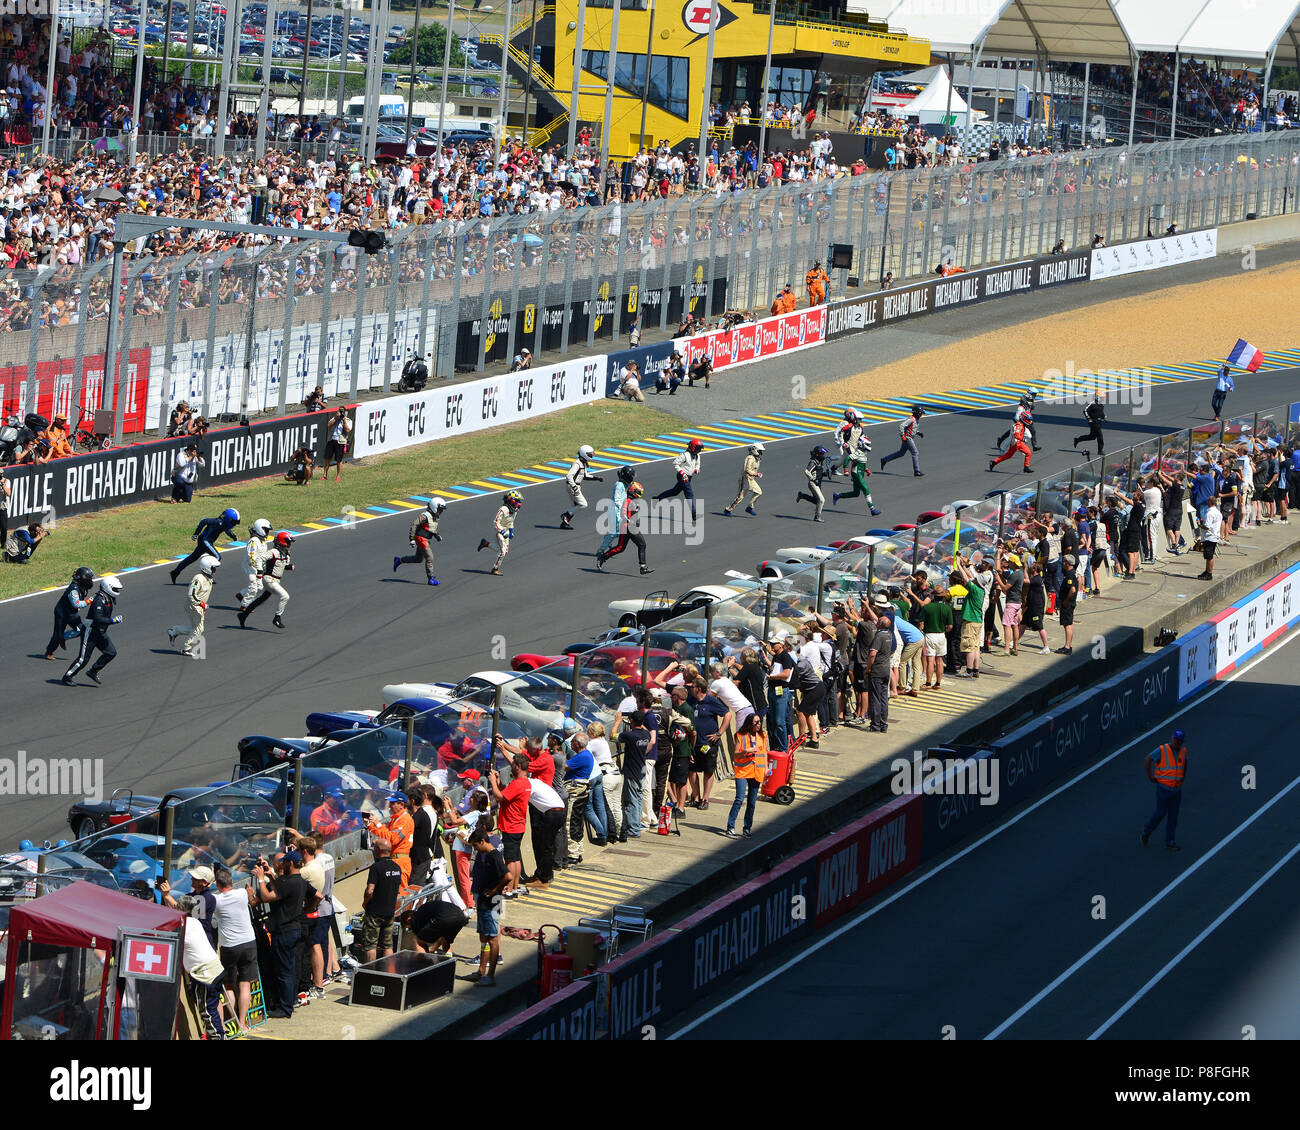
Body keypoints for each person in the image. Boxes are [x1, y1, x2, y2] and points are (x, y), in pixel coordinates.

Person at [250, 850, 308, 1019]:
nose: (282, 865)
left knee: (284, 972)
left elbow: (267, 897)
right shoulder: (300, 881)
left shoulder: (290, 882)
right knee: (289, 970)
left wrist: (261, 878)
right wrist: (270, 875)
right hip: (294, 929)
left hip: (284, 931)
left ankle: (284, 1008)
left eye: (284, 863)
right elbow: (281, 889)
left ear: (290, 864)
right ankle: (288, 1004)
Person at [212, 867, 258, 1033]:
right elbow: (251, 895)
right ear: (231, 882)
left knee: (229, 985)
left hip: (229, 947)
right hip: (248, 942)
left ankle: (236, 1024)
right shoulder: (241, 894)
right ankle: (244, 1023)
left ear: (217, 884)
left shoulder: (215, 900)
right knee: (245, 984)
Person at [62, 576, 123, 685]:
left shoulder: (108, 598)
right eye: (115, 589)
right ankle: (67, 676)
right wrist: (113, 620)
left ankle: (93, 671)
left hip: (100, 632)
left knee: (111, 652)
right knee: (83, 659)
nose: (117, 591)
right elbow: (98, 618)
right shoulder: (99, 600)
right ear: (108, 588)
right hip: (90, 632)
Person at [468, 824, 507, 987]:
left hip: (492, 901)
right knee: (484, 937)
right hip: (488, 902)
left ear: (483, 841)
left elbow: (508, 875)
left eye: (476, 846)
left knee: (492, 938)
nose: (476, 849)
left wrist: (493, 891)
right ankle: (481, 972)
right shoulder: (488, 854)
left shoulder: (493, 855)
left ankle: (490, 976)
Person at [489, 755, 531, 896]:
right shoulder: (525, 782)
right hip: (518, 825)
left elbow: (500, 797)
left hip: (511, 826)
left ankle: (509, 888)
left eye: (513, 764)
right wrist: (499, 783)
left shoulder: (518, 783)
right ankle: (515, 885)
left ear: (518, 766)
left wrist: (493, 783)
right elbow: (507, 794)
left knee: (510, 860)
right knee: (516, 858)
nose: (511, 767)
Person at [1141, 729, 1188, 851]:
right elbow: (1147, 759)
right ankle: (1147, 831)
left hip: (1176, 790)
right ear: (1172, 738)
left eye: (1179, 740)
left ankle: (1170, 841)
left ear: (1182, 741)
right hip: (1163, 789)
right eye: (1175, 739)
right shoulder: (1163, 750)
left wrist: (1182, 777)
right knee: (1160, 813)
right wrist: (1150, 776)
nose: (1177, 742)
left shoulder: (1183, 752)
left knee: (1173, 816)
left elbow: (1184, 765)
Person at [359, 839, 402, 964]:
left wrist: (365, 902)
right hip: (390, 911)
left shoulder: (376, 867)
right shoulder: (397, 867)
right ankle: (387, 973)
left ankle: (369, 973)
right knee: (388, 945)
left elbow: (370, 890)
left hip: (375, 912)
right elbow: (398, 890)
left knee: (370, 945)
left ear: (378, 850)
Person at [238, 531, 294, 629]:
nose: (289, 545)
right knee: (285, 596)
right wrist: (259, 570)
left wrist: (288, 567)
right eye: (288, 542)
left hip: (275, 581)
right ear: (282, 542)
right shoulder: (273, 552)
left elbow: (281, 566)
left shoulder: (286, 554)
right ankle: (277, 618)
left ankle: (243, 616)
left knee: (261, 599)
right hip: (269, 579)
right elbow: (260, 558)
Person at [168, 554, 219, 658]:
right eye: (213, 568)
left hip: (199, 606)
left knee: (195, 628)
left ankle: (174, 631)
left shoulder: (208, 578)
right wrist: (201, 604)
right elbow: (191, 595)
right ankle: (185, 648)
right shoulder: (198, 579)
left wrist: (202, 607)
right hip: (193, 605)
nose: (215, 570)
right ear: (207, 568)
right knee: (198, 629)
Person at [596, 480, 653, 574]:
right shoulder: (627, 500)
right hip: (629, 527)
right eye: (639, 492)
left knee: (620, 547)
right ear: (633, 491)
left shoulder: (633, 501)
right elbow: (623, 512)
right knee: (642, 545)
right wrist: (629, 520)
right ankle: (643, 567)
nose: (640, 494)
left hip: (627, 527)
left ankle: (603, 557)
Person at [725, 712, 768, 838]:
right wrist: (746, 751)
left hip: (757, 772)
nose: (759, 724)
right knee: (739, 799)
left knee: (752, 802)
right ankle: (730, 827)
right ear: (750, 724)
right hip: (743, 771)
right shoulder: (740, 736)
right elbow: (736, 754)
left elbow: (764, 753)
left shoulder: (763, 736)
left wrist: (766, 769)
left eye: (760, 722)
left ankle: (747, 827)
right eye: (756, 722)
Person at [170, 508, 240, 584]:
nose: (234, 524)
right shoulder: (217, 522)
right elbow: (203, 521)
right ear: (228, 518)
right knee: (217, 557)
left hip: (206, 541)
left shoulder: (224, 524)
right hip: (205, 541)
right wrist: (196, 533)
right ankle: (207, 577)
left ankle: (175, 572)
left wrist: (233, 536)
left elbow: (227, 530)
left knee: (193, 557)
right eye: (233, 522)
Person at [523, 766, 566, 889]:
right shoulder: (535, 782)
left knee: (545, 846)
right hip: (557, 811)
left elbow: (518, 798)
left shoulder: (528, 785)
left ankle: (544, 880)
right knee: (544, 844)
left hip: (553, 813)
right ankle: (542, 874)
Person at [365, 792, 415, 895]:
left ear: (401, 804)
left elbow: (393, 840)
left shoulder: (405, 820)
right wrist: (370, 825)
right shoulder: (396, 819)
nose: (390, 806)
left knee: (400, 895)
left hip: (400, 861)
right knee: (391, 894)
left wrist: (377, 823)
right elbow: (386, 834)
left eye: (393, 803)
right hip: (394, 860)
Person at [44, 566, 95, 661]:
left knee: (81, 629)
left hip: (72, 613)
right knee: (57, 634)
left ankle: (62, 637)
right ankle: (49, 652)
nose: (91, 581)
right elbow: (77, 604)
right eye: (89, 579)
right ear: (83, 579)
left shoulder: (81, 586)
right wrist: (89, 601)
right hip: (62, 613)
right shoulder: (74, 590)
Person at [394, 497, 445, 585]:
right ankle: (430, 578)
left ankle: (399, 560)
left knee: (418, 559)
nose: (441, 512)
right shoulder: (425, 516)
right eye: (440, 509)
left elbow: (431, 528)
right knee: (430, 557)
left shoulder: (434, 516)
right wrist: (412, 538)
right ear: (434, 507)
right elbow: (414, 524)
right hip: (421, 539)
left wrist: (436, 535)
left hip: (426, 539)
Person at [618, 710, 653, 840]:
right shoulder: (646, 734)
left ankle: (633, 829)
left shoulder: (630, 735)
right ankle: (636, 826)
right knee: (638, 799)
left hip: (632, 771)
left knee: (632, 800)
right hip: (641, 770)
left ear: (631, 721)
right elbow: (644, 729)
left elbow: (613, 736)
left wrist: (617, 722)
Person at [833, 435, 882, 516]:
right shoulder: (858, 453)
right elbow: (848, 458)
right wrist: (846, 470)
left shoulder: (862, 453)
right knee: (866, 490)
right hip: (857, 474)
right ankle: (872, 509)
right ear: (862, 444)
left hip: (860, 473)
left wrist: (867, 470)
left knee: (856, 493)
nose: (869, 446)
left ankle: (837, 495)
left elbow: (861, 463)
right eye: (868, 444)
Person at [477, 490, 523, 576]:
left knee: (505, 552)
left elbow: (511, 522)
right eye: (517, 500)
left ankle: (486, 543)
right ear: (511, 500)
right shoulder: (503, 509)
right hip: (499, 530)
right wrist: (502, 531)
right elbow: (495, 522)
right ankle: (495, 569)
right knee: (502, 552)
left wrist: (511, 531)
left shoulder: (515, 510)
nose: (519, 503)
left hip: (507, 531)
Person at [657, 438, 703, 521]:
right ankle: (694, 514)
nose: (699, 451)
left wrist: (697, 469)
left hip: (689, 477)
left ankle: (658, 498)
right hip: (682, 476)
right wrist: (682, 472)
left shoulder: (697, 455)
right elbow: (675, 463)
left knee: (675, 491)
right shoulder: (684, 455)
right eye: (698, 449)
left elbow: (698, 464)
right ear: (693, 447)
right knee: (689, 494)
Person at [598, 465, 637, 560]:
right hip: (615, 510)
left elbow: (631, 487)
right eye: (631, 476)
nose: (632, 478)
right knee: (614, 532)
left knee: (619, 532)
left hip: (619, 509)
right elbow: (617, 499)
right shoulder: (619, 485)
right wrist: (623, 510)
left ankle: (607, 541)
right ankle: (601, 550)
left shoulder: (624, 483)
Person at [560, 445, 602, 530]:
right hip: (573, 486)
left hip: (575, 486)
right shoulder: (577, 463)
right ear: (584, 454)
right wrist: (574, 487)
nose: (592, 456)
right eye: (590, 454)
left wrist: (596, 478)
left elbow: (585, 476)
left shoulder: (582, 463)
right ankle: (565, 515)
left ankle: (564, 523)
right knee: (583, 504)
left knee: (575, 506)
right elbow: (569, 476)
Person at [237, 518, 272, 611]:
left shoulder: (263, 541)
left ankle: (241, 595)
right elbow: (251, 555)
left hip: (259, 567)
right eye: (266, 530)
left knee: (260, 587)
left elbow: (263, 555)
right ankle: (245, 606)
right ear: (260, 529)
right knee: (253, 587)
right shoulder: (254, 540)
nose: (268, 533)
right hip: (250, 566)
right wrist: (257, 568)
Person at [880, 406, 925, 476]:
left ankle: (884, 460)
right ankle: (917, 471)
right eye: (920, 413)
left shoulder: (916, 419)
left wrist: (918, 432)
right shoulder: (911, 419)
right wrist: (902, 436)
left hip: (909, 437)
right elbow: (901, 426)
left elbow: (912, 429)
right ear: (916, 413)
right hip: (908, 438)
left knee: (901, 453)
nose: (921, 415)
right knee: (915, 453)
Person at [724, 443, 764, 516]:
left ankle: (749, 507)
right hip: (745, 480)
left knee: (759, 492)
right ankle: (728, 509)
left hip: (751, 480)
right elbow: (747, 470)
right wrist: (757, 474)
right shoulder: (750, 458)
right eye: (760, 451)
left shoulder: (757, 458)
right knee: (740, 497)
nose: (761, 452)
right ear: (755, 450)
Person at [796, 446, 830, 521]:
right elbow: (806, 471)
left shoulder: (820, 462)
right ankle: (817, 517)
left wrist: (825, 474)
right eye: (822, 454)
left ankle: (802, 495)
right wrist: (813, 479)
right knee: (821, 500)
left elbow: (817, 472)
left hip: (818, 483)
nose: (823, 456)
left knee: (816, 501)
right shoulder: (813, 462)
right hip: (813, 484)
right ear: (817, 454)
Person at [1056, 554, 1079, 654]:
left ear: (1068, 563)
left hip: (1068, 604)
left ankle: (1067, 646)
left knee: (1067, 624)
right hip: (1070, 603)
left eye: (1064, 562)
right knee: (1069, 624)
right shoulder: (1072, 573)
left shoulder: (1069, 575)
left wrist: (1065, 600)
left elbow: (1072, 590)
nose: (1063, 564)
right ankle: (1068, 645)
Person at [322, 405, 351, 481]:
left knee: (339, 460)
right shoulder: (335, 418)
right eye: (339, 411)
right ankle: (324, 475)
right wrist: (336, 418)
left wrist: (344, 421)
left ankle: (338, 476)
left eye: (342, 412)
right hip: (331, 440)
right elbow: (328, 425)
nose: (340, 413)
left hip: (340, 442)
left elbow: (347, 430)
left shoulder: (348, 420)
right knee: (327, 458)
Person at [1195, 498, 1222, 580]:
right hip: (1215, 535)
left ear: (1210, 502)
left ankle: (1209, 573)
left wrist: (1199, 525)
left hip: (1209, 536)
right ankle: (1207, 571)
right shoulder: (1218, 512)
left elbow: (1207, 527)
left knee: (1209, 556)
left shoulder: (1210, 513)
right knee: (1208, 556)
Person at [836, 409, 863, 478]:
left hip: (855, 446)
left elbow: (862, 436)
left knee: (842, 460)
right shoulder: (849, 426)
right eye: (859, 419)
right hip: (848, 445)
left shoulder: (861, 427)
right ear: (854, 418)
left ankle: (831, 469)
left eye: (861, 419)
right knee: (854, 459)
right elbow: (840, 433)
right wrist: (843, 443)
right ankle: (850, 473)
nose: (860, 421)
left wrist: (863, 442)